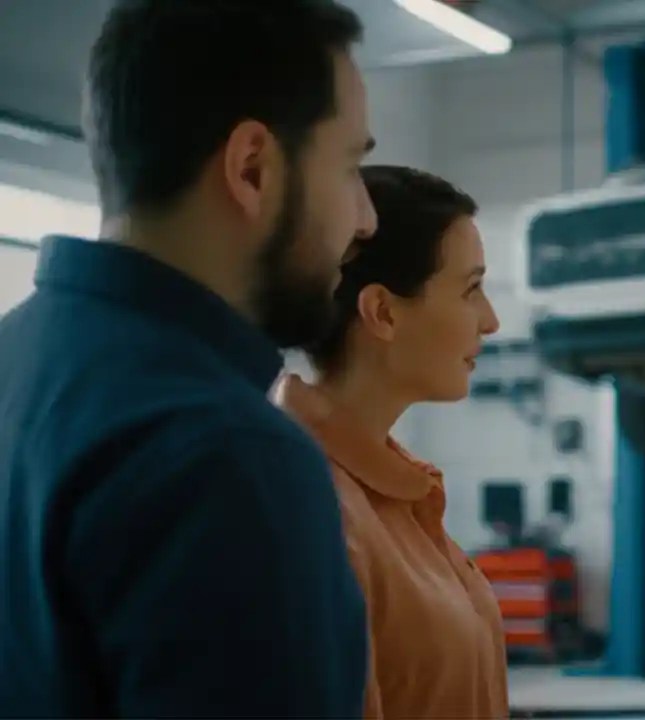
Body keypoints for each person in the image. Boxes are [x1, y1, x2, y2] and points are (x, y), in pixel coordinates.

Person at [0, 1, 378, 716]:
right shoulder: (228, 454)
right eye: (352, 165)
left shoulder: (12, 366)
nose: (366, 219)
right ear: (253, 169)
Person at [273, 165, 505, 719]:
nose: (491, 321)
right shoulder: (314, 506)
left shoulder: (403, 491)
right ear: (382, 312)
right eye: (471, 289)